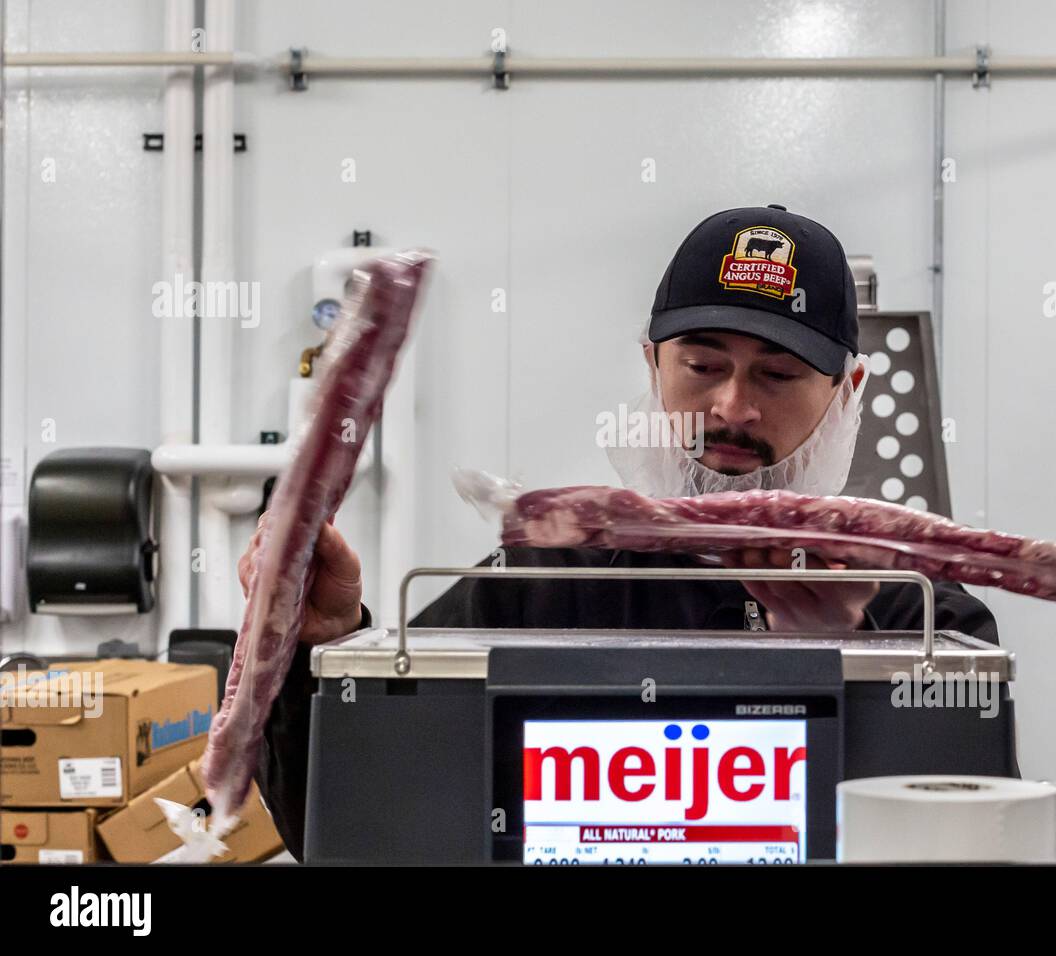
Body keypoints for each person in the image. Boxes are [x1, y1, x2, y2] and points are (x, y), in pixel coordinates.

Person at [245, 204, 998, 860]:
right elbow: (352, 829)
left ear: (847, 392)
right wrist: (315, 639)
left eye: (777, 376)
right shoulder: (539, 582)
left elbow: (979, 841)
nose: (733, 407)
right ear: (652, 366)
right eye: (703, 365)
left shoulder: (919, 615)